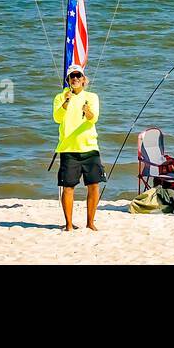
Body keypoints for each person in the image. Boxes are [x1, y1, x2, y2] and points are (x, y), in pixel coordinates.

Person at [53, 65, 106, 231]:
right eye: (72, 76)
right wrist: (67, 101)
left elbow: (93, 119)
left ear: (84, 79)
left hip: (90, 148)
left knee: (94, 185)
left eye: (78, 75)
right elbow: (57, 118)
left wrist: (88, 111)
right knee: (68, 187)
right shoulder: (60, 97)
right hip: (69, 149)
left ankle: (90, 222)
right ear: (68, 80)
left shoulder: (92, 97)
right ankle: (69, 225)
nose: (75, 78)